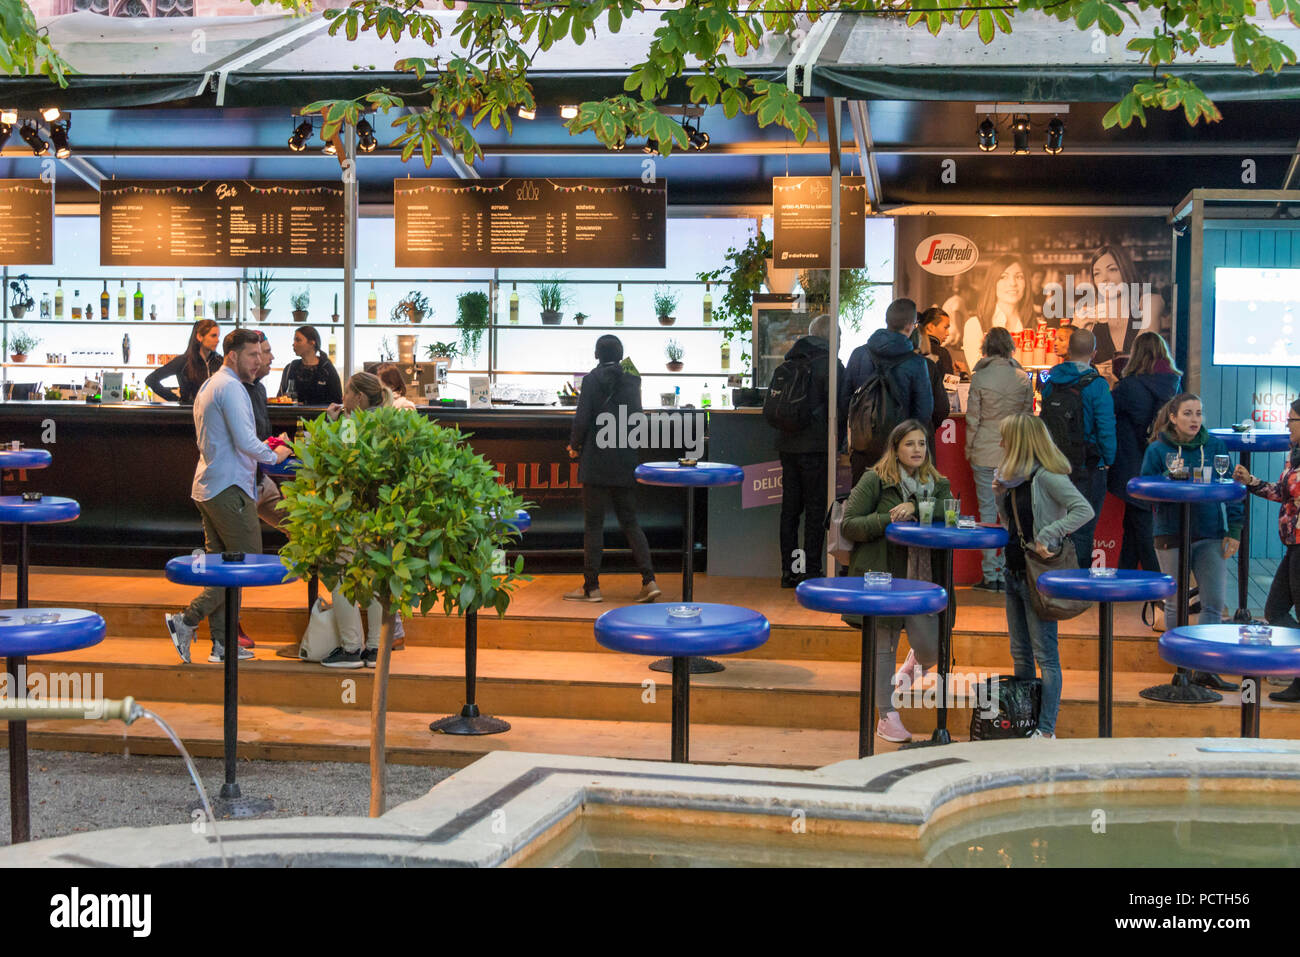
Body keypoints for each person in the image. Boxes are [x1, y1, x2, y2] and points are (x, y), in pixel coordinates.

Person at [164, 329, 292, 664]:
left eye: (260, 355)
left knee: (222, 566)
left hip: (209, 486)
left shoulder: (212, 384)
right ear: (232, 355)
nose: (259, 361)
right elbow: (247, 443)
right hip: (228, 489)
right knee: (244, 562)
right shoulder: (231, 388)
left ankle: (222, 645)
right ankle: (186, 620)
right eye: (252, 355)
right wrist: (276, 455)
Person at [840, 420, 951, 744]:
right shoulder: (875, 479)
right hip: (882, 576)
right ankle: (886, 715)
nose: (917, 450)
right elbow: (850, 526)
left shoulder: (936, 482)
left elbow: (948, 508)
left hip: (923, 579)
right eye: (909, 444)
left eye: (921, 444)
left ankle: (915, 661)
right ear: (895, 448)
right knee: (883, 646)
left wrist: (916, 506)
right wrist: (887, 519)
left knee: (931, 649)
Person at [994, 413, 1095, 739]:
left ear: (1020, 442)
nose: (1000, 444)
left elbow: (1084, 510)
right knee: (1020, 653)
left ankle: (1046, 728)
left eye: (1005, 438)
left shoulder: (1048, 477)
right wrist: (999, 493)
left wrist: (1051, 531)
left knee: (1045, 655)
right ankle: (1024, 720)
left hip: (1038, 572)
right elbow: (1011, 523)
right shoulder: (1014, 478)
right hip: (1014, 570)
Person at [1141, 392, 1242, 692]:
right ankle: (1181, 668)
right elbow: (1145, 491)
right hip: (1170, 533)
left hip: (1210, 532)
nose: (1195, 419)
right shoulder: (1158, 450)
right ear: (1173, 417)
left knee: (1214, 602)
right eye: (1187, 413)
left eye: (1198, 413)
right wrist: (1169, 480)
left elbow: (1232, 487)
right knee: (1175, 603)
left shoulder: (1216, 447)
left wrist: (1234, 528)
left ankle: (1204, 668)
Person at [564, 335, 661, 603]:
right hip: (625, 460)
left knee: (594, 525)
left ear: (597, 354)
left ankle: (592, 588)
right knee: (630, 522)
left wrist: (574, 446)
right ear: (620, 354)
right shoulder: (633, 379)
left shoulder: (592, 380)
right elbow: (638, 418)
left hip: (596, 461)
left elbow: (582, 418)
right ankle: (649, 581)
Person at [321, 372, 405, 668]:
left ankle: (351, 648)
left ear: (358, 396)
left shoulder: (350, 424)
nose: (342, 398)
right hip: (384, 512)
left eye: (346, 393)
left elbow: (336, 459)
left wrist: (330, 424)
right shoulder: (392, 421)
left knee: (341, 576)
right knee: (375, 577)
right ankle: (373, 648)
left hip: (353, 512)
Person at [775, 314, 849, 587]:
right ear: (833, 338)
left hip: (788, 446)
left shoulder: (791, 360)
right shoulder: (831, 366)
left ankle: (790, 571)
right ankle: (810, 571)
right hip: (817, 449)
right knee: (816, 512)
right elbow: (840, 411)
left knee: (790, 511)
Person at [1235, 398, 1300, 702]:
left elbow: (1292, 490)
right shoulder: (1294, 454)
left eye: (1292, 419)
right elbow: (1282, 492)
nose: (1287, 424)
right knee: (1274, 610)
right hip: (1293, 544)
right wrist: (1251, 482)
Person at [1038, 327, 1116, 567]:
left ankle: (1054, 578)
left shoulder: (1051, 381)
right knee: (1082, 526)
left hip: (1054, 463)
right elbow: (1106, 427)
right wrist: (1108, 459)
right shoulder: (1097, 386)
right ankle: (1078, 583)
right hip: (1088, 466)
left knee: (1054, 523)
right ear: (1094, 353)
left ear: (1068, 351)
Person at [965, 327, 1034, 592]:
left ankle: (989, 573)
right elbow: (1027, 416)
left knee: (987, 512)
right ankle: (1008, 571)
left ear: (986, 347)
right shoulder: (1021, 377)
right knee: (1012, 513)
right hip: (1014, 452)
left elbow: (973, 420)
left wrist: (969, 449)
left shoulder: (980, 378)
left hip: (984, 449)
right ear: (1010, 347)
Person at [1110, 331, 1182, 578]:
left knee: (1141, 525)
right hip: (1161, 460)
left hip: (1131, 463)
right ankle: (1125, 575)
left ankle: (1159, 585)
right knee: (1132, 523)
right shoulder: (1173, 384)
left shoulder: (1128, 387)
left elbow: (1107, 413)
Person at [846, 298, 933, 484]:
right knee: (898, 507)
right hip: (900, 450)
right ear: (910, 326)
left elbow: (844, 401)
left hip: (863, 447)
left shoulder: (859, 354)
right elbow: (923, 411)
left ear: (887, 321)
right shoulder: (917, 363)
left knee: (862, 505)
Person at [1075, 243, 1167, 382]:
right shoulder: (1087, 316)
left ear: (1125, 271)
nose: (1104, 279)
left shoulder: (1150, 302)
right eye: (1097, 273)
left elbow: (1144, 357)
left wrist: (1101, 369)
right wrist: (1078, 329)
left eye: (1112, 270)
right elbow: (1076, 369)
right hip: (1101, 401)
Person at [961, 254, 1032, 372]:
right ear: (992, 282)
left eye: (1019, 277)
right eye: (1003, 277)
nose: (1012, 283)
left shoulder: (1036, 326)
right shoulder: (975, 325)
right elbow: (979, 373)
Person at [145, 319, 222, 404]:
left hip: (214, 415)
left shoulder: (220, 361)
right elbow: (151, 379)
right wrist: (176, 400)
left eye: (218, 336)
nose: (217, 340)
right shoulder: (183, 362)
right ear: (200, 337)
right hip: (189, 415)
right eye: (213, 336)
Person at [278, 324, 343, 406]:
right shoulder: (291, 368)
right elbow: (280, 399)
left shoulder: (327, 369)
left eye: (298, 340)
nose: (293, 344)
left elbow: (337, 402)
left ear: (312, 343)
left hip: (321, 417)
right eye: (294, 340)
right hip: (293, 417)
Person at [911, 326, 950, 434]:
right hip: (923, 431)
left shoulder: (892, 364)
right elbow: (942, 408)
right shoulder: (929, 366)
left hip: (897, 433)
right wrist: (930, 426)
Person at [919, 306, 956, 379]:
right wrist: (964, 374)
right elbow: (950, 388)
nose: (948, 333)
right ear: (930, 327)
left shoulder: (910, 349)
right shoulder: (941, 353)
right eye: (945, 328)